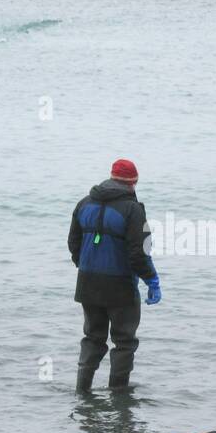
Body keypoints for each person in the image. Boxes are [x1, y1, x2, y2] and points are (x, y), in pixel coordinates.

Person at [68, 159, 161, 392]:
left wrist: (86, 267)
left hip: (87, 284)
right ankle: (119, 396)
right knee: (124, 341)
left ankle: (82, 391)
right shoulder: (133, 210)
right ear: (133, 183)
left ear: (110, 177)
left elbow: (73, 244)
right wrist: (152, 280)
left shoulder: (84, 204)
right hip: (120, 286)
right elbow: (139, 253)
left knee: (92, 337)